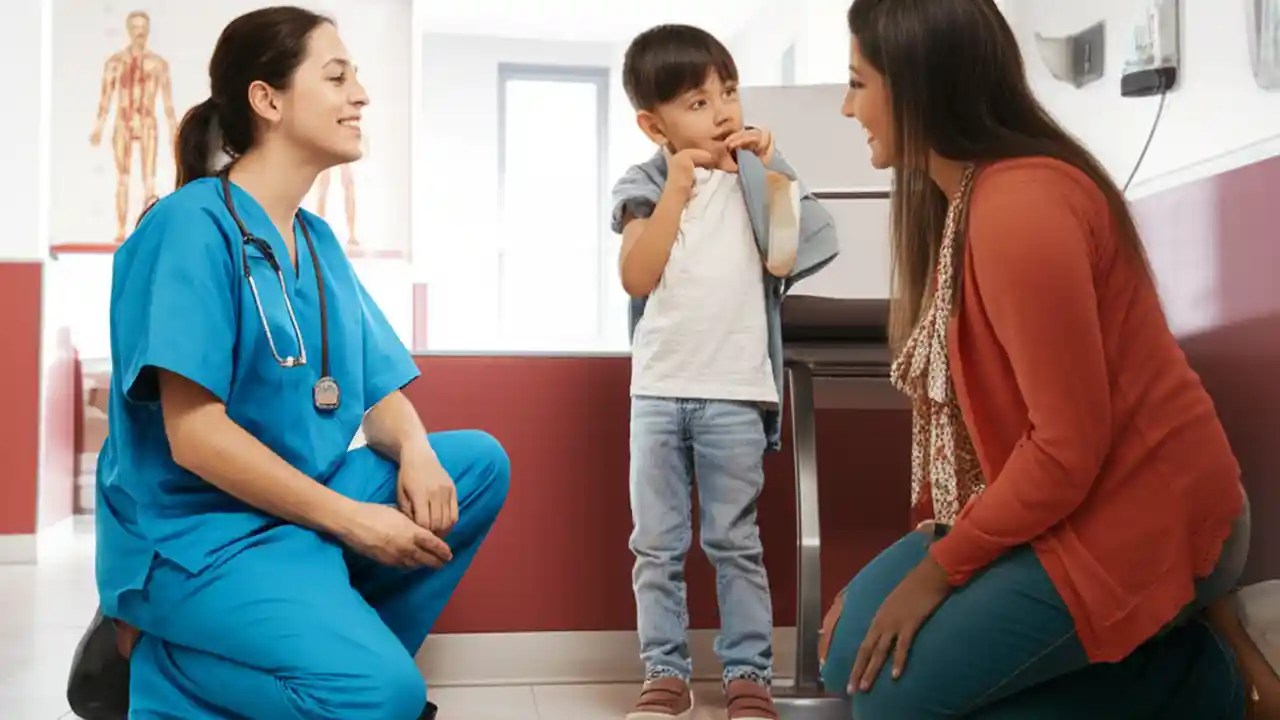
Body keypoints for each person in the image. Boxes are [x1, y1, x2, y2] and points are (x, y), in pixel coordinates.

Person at [68, 7, 508, 720]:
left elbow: (379, 390)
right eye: (337, 77)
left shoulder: (318, 242)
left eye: (357, 77)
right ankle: (156, 663)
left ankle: (329, 665)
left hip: (298, 512)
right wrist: (353, 522)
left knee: (478, 465)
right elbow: (195, 435)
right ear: (267, 100)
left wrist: (419, 449)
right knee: (387, 696)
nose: (360, 94)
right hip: (197, 536)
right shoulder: (188, 227)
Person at [817, 0, 1252, 718]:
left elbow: (1067, 446)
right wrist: (927, 557)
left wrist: (935, 576)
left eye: (859, 82)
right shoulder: (965, 203)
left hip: (1146, 516)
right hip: (1067, 502)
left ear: (919, 85)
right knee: (847, 662)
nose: (846, 106)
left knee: (890, 705)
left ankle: (1208, 678)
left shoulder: (1020, 209)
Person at [611, 24, 839, 720]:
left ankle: (748, 674)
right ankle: (665, 672)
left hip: (737, 391)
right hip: (658, 392)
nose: (722, 112)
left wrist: (775, 175)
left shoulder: (755, 178)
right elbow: (636, 275)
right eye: (697, 101)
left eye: (729, 92)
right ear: (655, 124)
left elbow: (786, 257)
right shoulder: (644, 183)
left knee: (735, 541)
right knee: (656, 543)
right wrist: (678, 184)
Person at [90, 10, 178, 243]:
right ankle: (120, 228)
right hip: (123, 121)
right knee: (123, 177)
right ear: (129, 30)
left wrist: (174, 129)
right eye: (135, 27)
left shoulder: (158, 64)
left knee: (148, 178)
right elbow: (105, 97)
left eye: (143, 27)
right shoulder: (115, 63)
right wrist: (99, 126)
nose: (140, 32)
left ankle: (144, 230)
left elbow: (167, 102)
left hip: (147, 121)